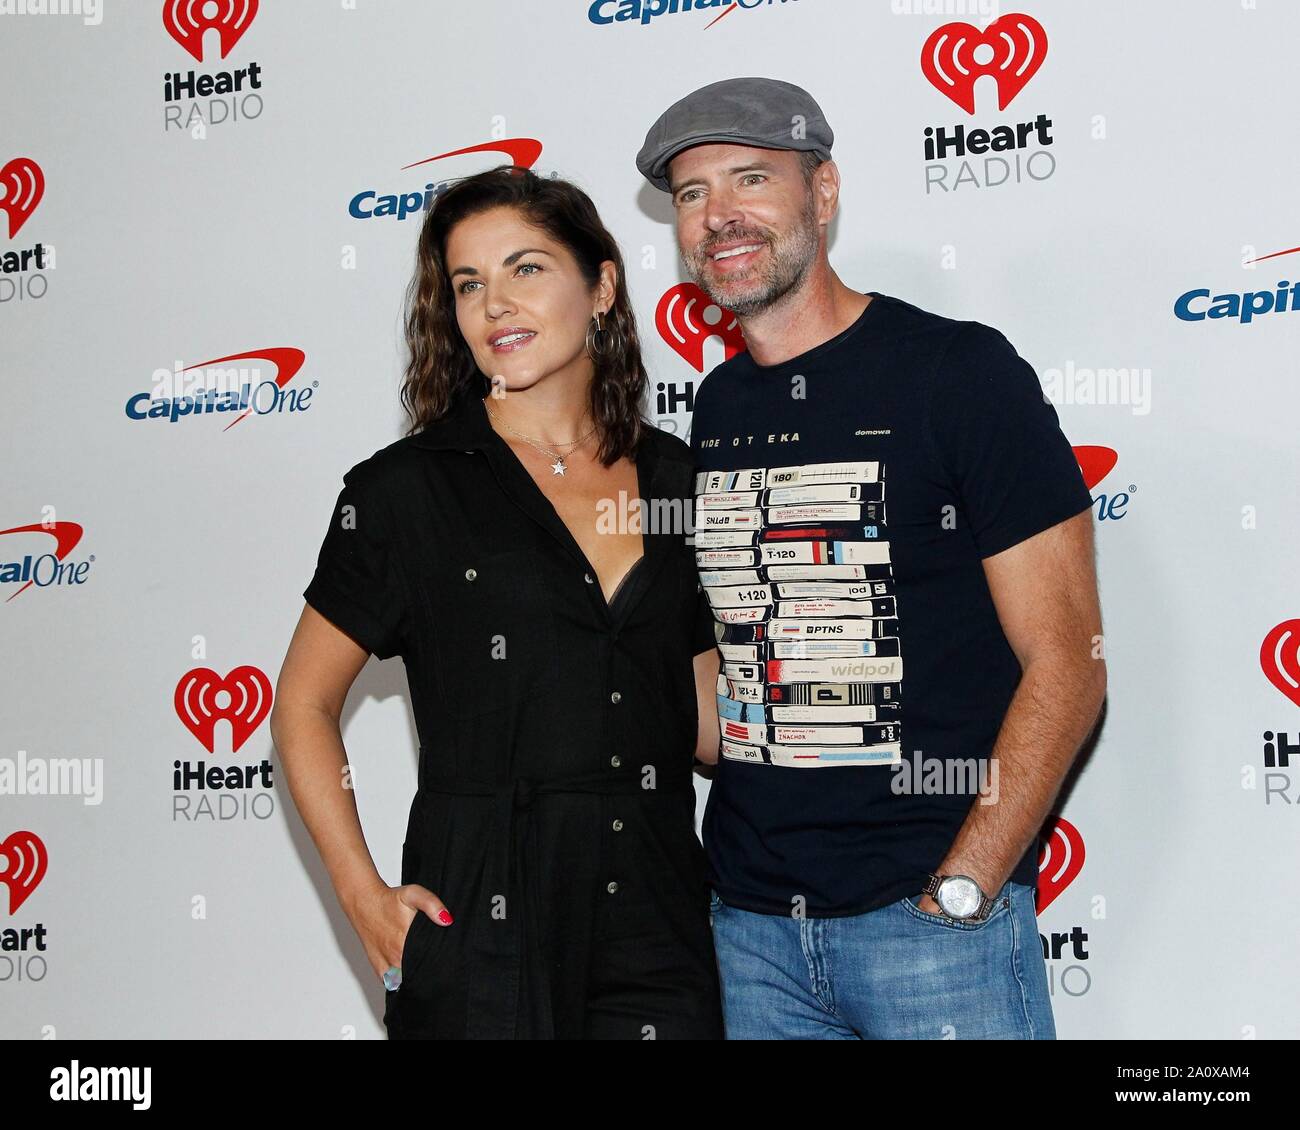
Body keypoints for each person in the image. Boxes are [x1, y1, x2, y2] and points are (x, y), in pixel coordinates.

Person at [635, 77, 1107, 1040]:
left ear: (824, 191)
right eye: (692, 193)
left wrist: (968, 889)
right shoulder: (714, 413)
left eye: (751, 178)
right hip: (750, 935)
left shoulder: (959, 374)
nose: (721, 215)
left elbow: (1069, 665)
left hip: (931, 931)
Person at [270, 165, 724, 1040]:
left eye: (526, 269)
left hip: (662, 922)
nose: (494, 304)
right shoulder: (406, 492)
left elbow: (702, 714)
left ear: (602, 285)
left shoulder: (679, 479)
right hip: (481, 924)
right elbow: (302, 703)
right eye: (469, 283)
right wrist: (363, 901)